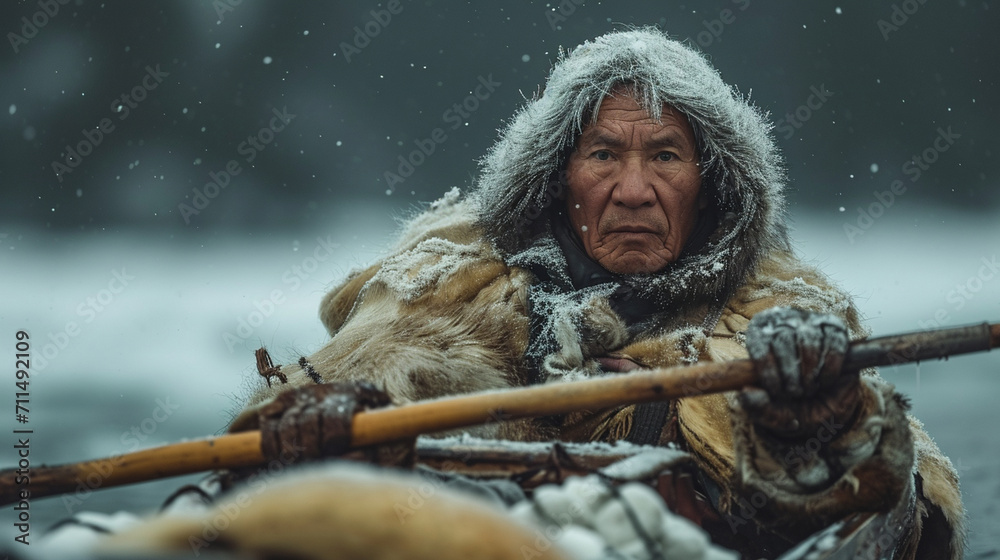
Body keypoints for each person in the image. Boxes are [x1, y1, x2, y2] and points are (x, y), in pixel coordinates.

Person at [228, 28, 964, 558]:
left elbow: (918, 504)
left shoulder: (782, 305)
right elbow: (289, 419)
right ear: (558, 177)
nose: (635, 191)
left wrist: (818, 417)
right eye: (604, 155)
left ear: (711, 184)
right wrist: (315, 427)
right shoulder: (447, 278)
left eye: (666, 156)